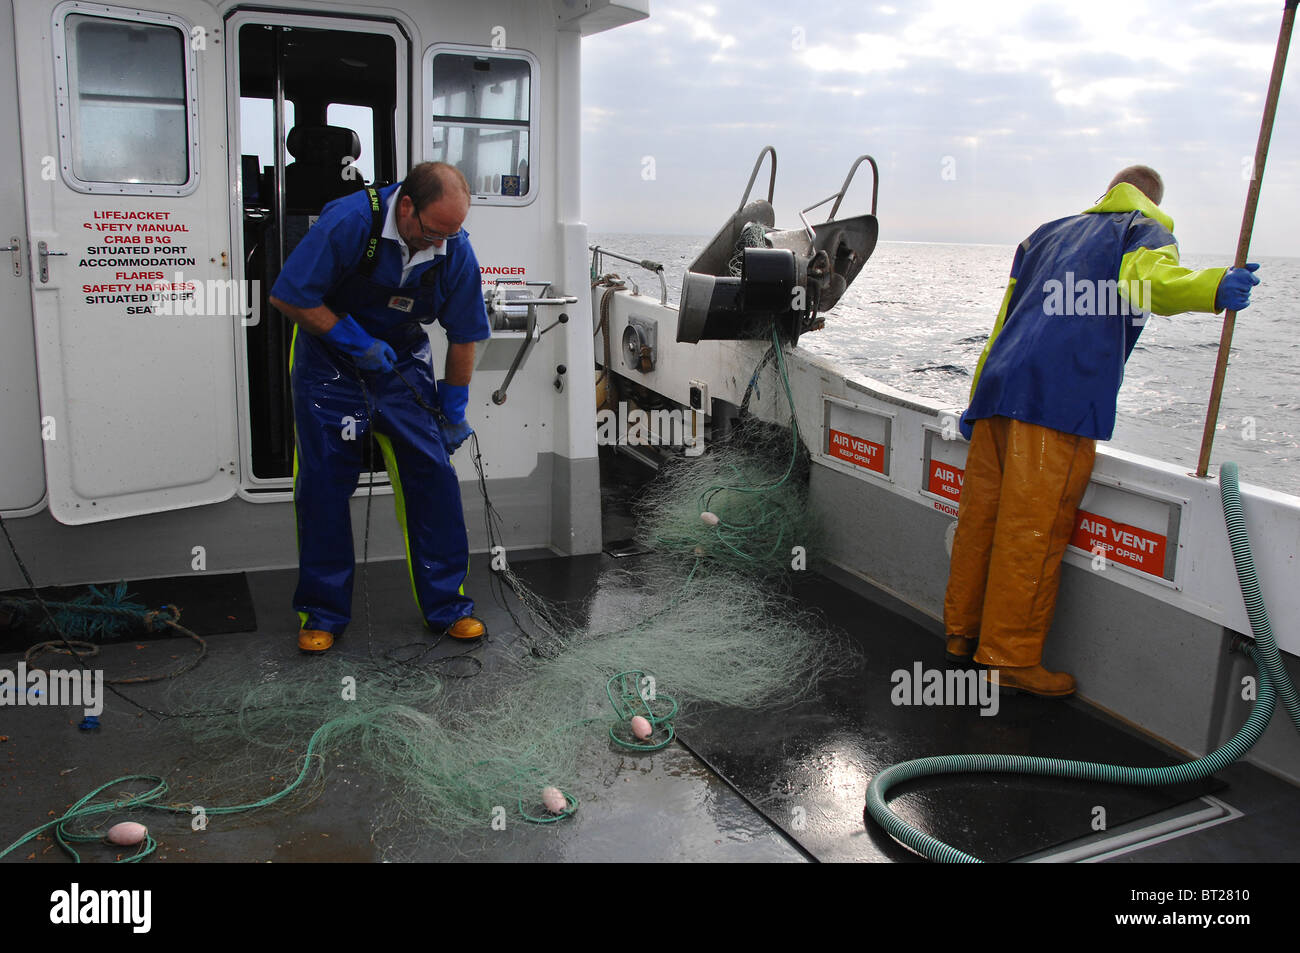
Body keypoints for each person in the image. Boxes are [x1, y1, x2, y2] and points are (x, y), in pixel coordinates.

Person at [943, 165, 1260, 696]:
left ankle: (961, 633)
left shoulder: (1044, 234)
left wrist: (976, 401)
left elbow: (1004, 319)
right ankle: (1009, 659)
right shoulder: (1142, 230)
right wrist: (1214, 288)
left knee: (981, 521)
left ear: (1108, 189)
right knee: (1031, 532)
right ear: (1153, 198)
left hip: (998, 392)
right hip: (1056, 404)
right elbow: (1147, 283)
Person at [269, 161, 491, 652]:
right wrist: (351, 338)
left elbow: (465, 335)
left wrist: (453, 408)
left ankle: (448, 606)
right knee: (324, 483)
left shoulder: (454, 247)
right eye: (432, 232)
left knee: (432, 474)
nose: (439, 245)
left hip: (400, 362)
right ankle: (322, 613)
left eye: (449, 236)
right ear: (406, 206)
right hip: (328, 359)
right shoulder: (350, 222)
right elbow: (289, 295)